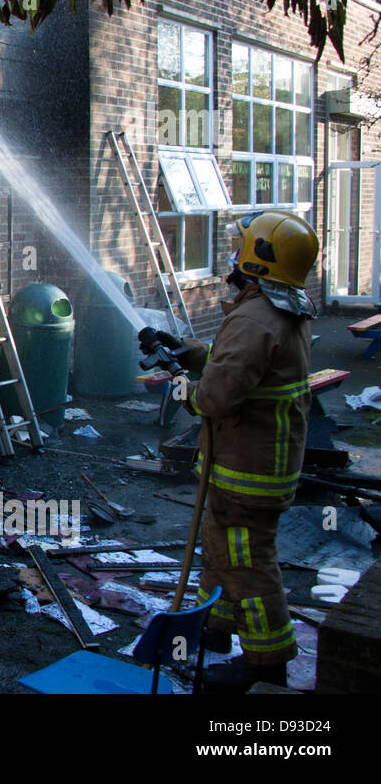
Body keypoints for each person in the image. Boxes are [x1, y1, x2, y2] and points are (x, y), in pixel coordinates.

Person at [138, 210, 318, 693]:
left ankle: (266, 661)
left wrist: (181, 386)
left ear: (259, 258)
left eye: (242, 247)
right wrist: (191, 352)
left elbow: (216, 397)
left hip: (246, 469)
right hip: (256, 465)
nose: (233, 255)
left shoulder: (255, 318)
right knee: (220, 550)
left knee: (247, 562)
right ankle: (215, 628)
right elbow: (237, 363)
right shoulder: (280, 309)